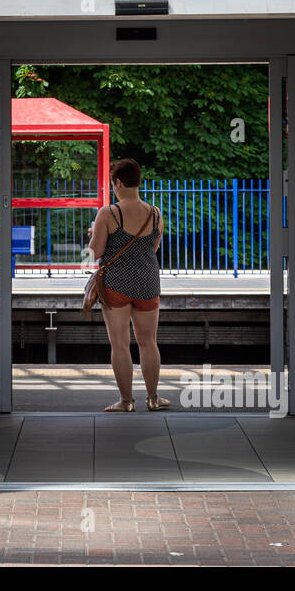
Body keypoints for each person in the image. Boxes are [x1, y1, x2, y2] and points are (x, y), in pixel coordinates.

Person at [86, 158, 168, 413]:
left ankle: (126, 401)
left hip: (116, 286)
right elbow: (152, 249)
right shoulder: (155, 214)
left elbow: (96, 251)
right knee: (148, 342)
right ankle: (153, 398)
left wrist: (93, 235)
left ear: (118, 182)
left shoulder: (109, 213)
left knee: (120, 344)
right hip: (147, 283)